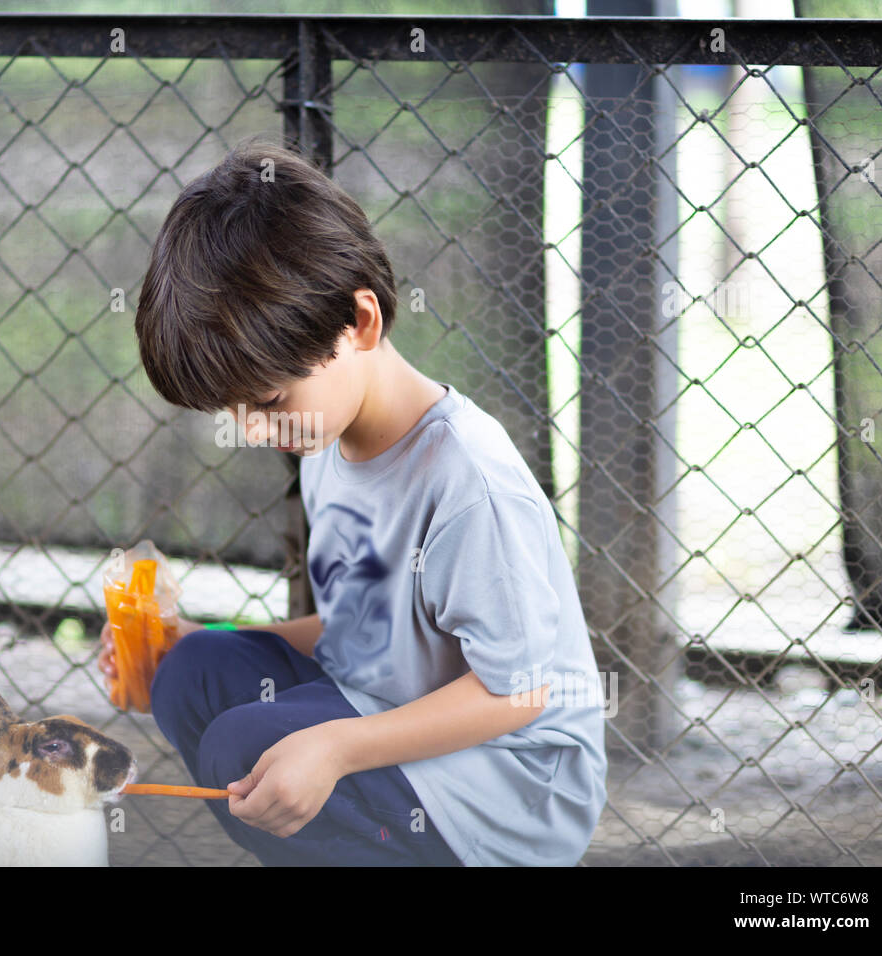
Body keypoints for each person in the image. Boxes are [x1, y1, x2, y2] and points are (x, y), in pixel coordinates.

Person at [97, 136, 607, 866]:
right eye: (235, 410)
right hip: (396, 710)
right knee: (195, 673)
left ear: (359, 323)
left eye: (268, 401)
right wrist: (187, 644)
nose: (253, 430)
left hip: (509, 781)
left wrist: (333, 747)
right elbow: (365, 624)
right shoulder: (327, 441)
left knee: (252, 744)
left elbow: (519, 693)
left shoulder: (467, 481)